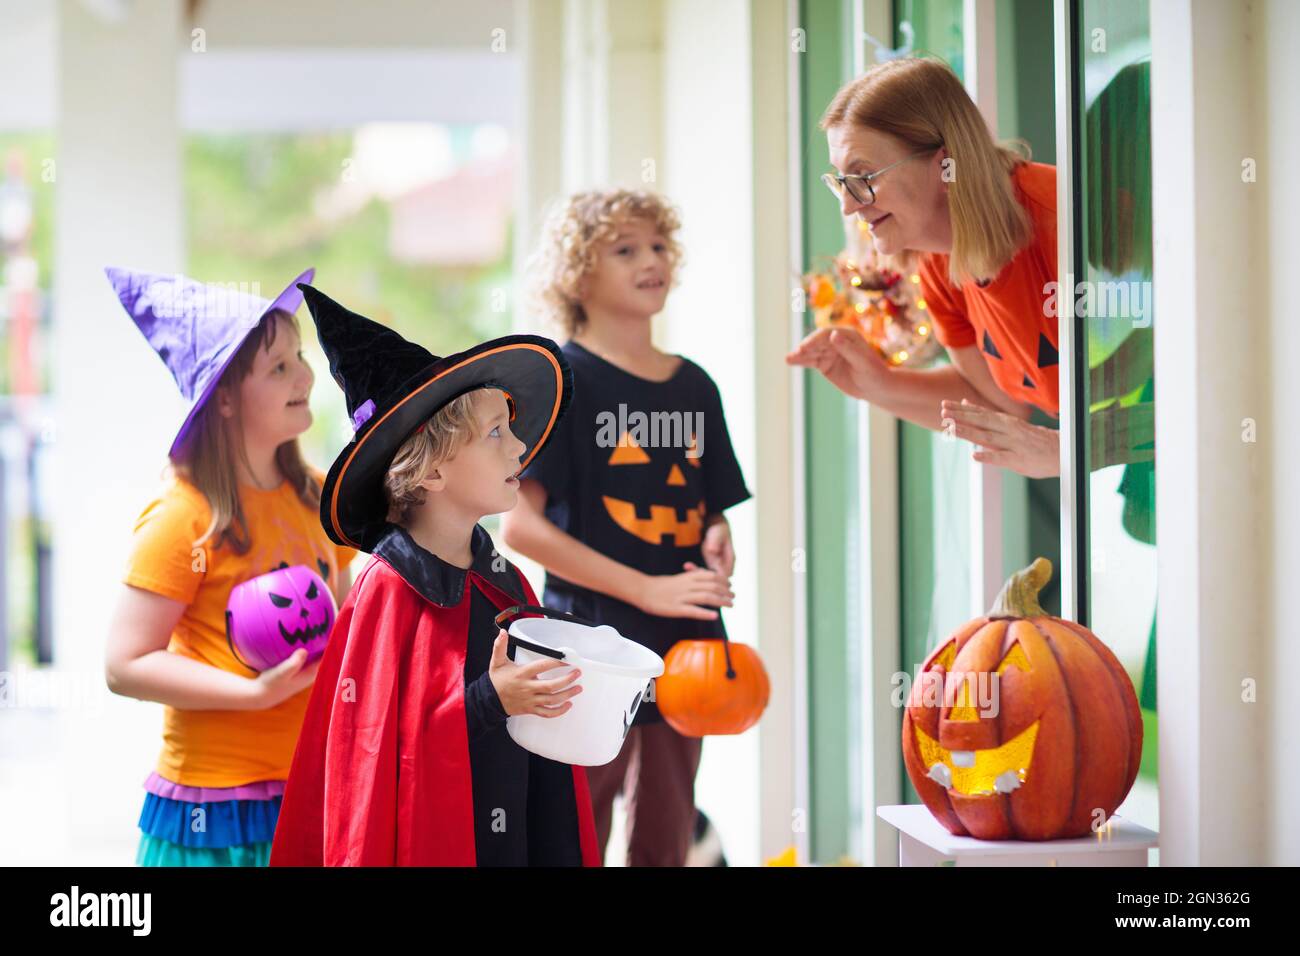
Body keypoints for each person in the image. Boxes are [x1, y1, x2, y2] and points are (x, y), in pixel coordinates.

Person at [269, 285, 600, 866]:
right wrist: (488, 702)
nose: (520, 445)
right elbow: (376, 760)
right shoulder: (386, 592)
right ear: (434, 469)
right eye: (496, 431)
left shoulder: (508, 585)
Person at [502, 189, 751, 866]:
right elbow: (520, 529)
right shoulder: (561, 382)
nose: (653, 260)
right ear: (577, 275)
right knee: (576, 829)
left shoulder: (694, 386)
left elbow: (705, 500)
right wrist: (644, 590)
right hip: (590, 645)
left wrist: (718, 533)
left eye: (659, 246)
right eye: (626, 249)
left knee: (666, 829)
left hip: (687, 646)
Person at [104, 266, 357, 866]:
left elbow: (344, 627)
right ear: (222, 399)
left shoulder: (320, 497)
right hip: (214, 808)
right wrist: (253, 695)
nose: (307, 374)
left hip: (310, 783)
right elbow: (124, 664)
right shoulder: (183, 518)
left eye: (300, 355)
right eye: (279, 367)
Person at [786, 55, 1063, 478]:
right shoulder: (938, 265)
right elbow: (1001, 404)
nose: (847, 205)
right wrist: (879, 384)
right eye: (841, 182)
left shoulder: (1062, 220)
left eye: (864, 176)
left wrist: (1069, 452)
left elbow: (1168, 373)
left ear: (945, 163)